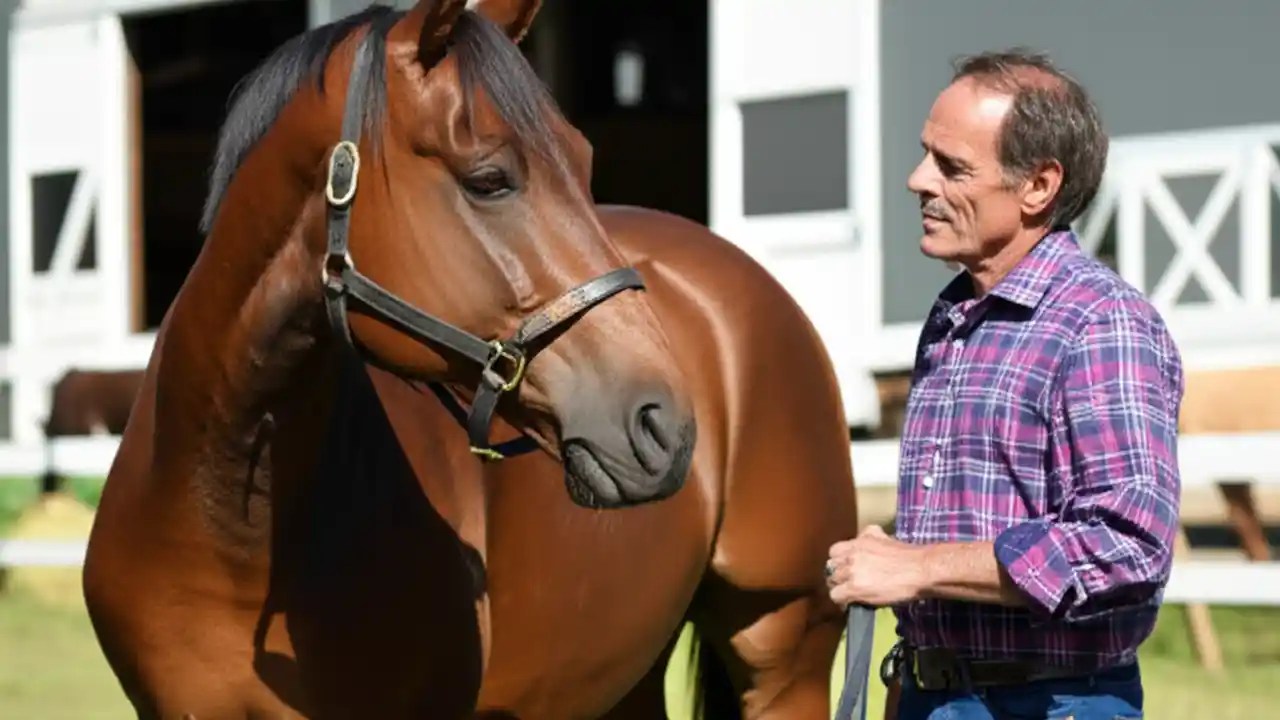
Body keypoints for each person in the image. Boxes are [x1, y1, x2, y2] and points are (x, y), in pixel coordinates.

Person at [824, 48, 1184, 719]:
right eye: (926, 154)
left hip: (1051, 704)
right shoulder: (955, 316)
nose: (917, 180)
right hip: (935, 694)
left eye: (952, 167)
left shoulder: (1100, 323)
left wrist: (920, 567)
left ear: (1039, 187)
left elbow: (1126, 546)